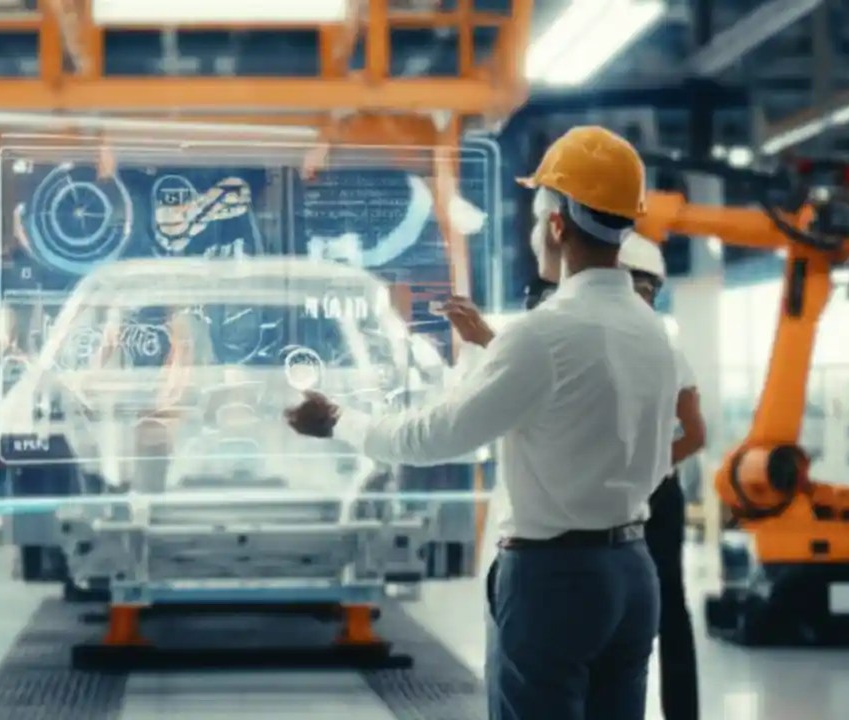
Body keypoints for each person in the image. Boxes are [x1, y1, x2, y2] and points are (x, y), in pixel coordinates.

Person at [286, 125, 678, 720]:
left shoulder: (543, 334)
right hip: (631, 573)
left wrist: (338, 418)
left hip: (554, 582)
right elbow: (573, 401)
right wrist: (490, 348)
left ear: (556, 225)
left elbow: (433, 436)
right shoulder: (651, 330)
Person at [618, 230, 705, 720]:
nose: (639, 295)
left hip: (653, 499)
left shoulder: (668, 354)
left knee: (669, 609)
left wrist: (645, 469)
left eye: (646, 288)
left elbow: (695, 434)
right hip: (614, 498)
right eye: (633, 284)